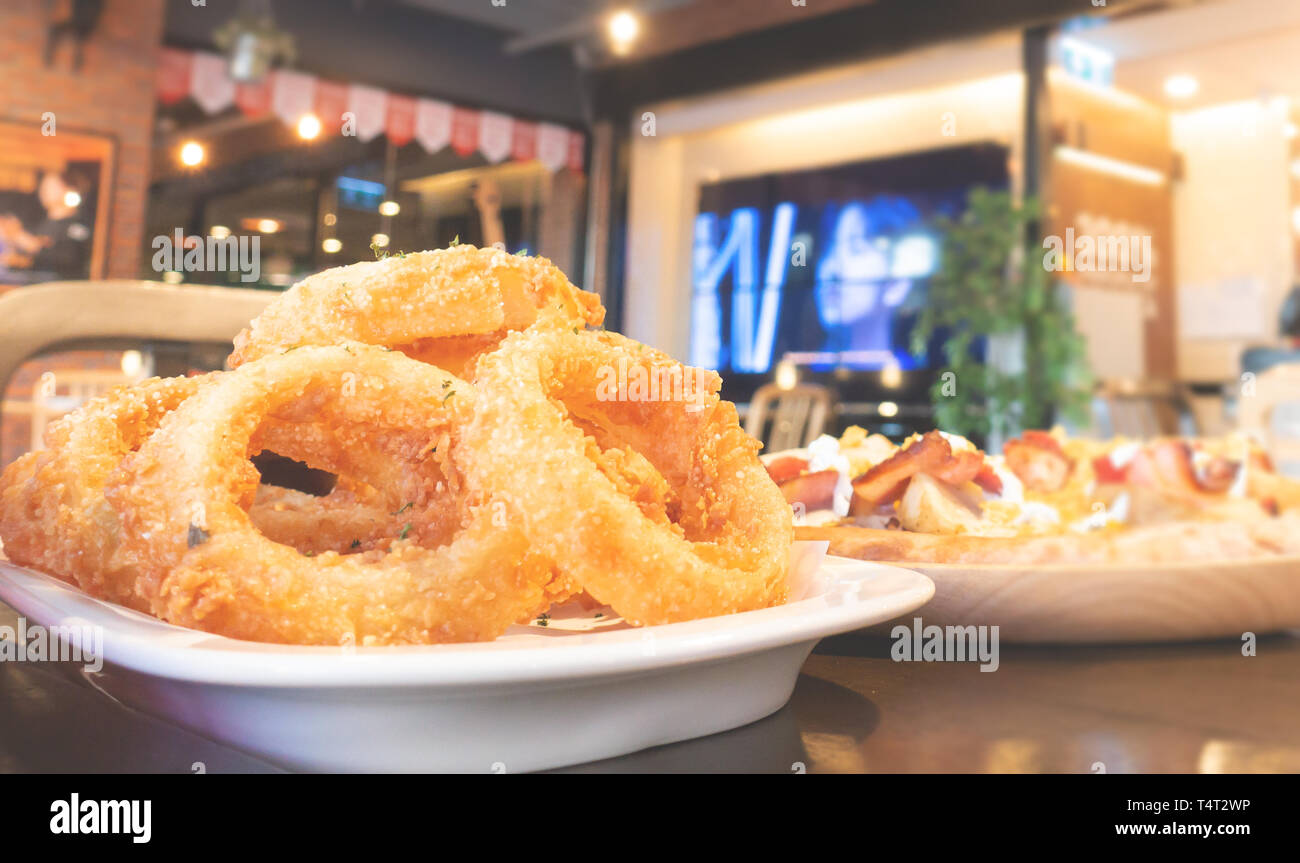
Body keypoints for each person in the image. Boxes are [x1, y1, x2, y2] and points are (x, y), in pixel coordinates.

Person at [813, 196, 924, 366]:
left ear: (896, 284)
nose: (832, 268)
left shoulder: (917, 376)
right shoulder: (807, 374)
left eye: (856, 250)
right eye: (830, 248)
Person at [0, 168, 94, 280]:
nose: (45, 191)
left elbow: (70, 258)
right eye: (45, 186)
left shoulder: (76, 226)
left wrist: (28, 243)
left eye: (51, 186)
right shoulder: (42, 225)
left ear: (67, 188)